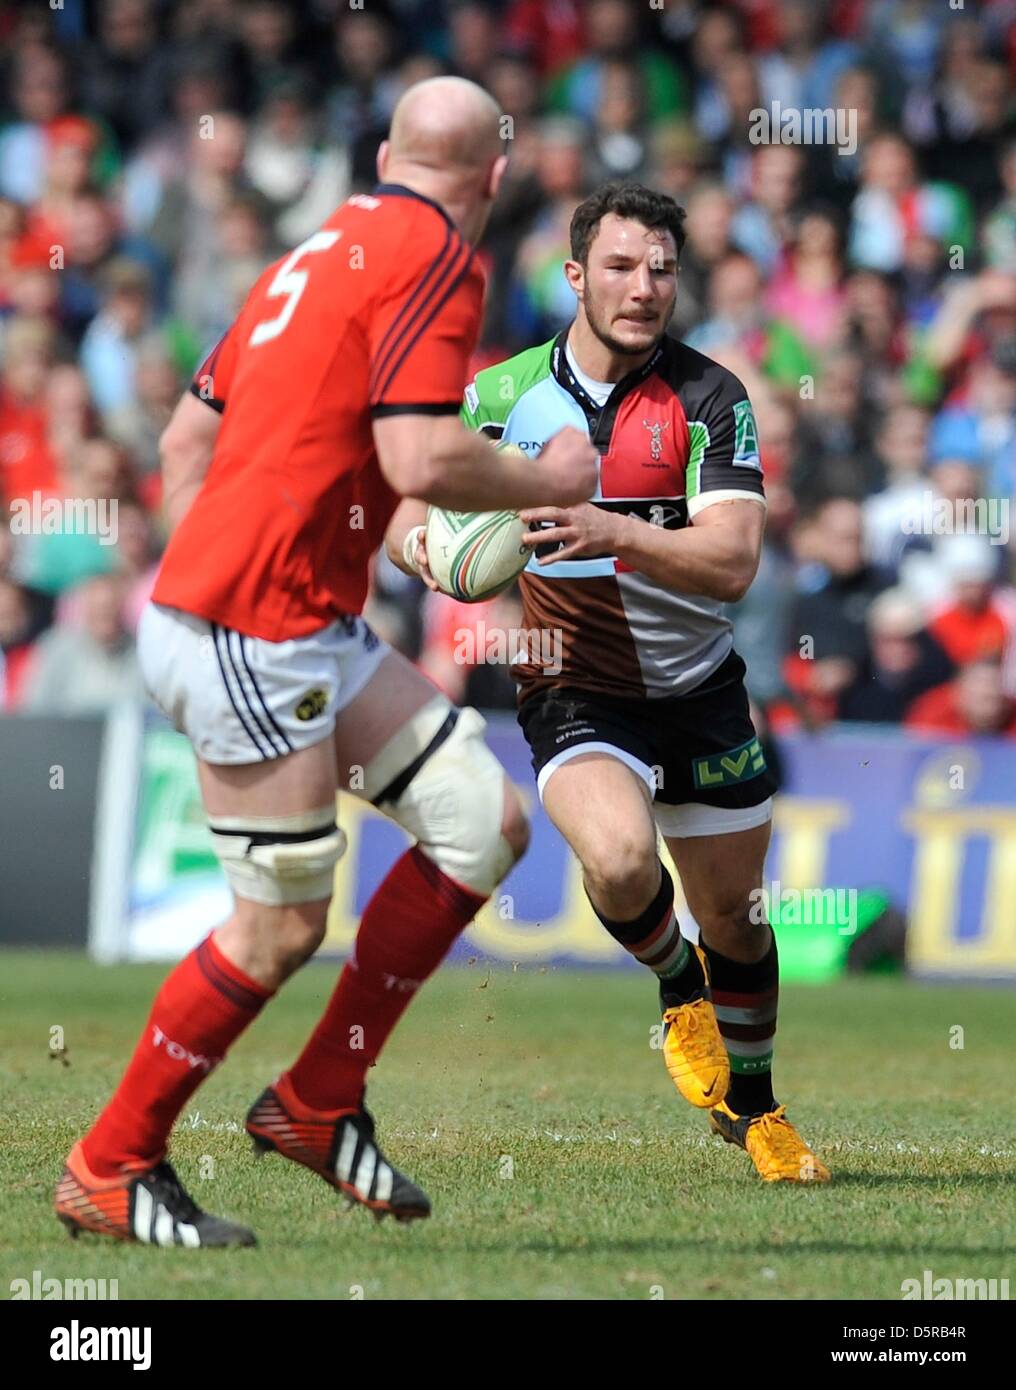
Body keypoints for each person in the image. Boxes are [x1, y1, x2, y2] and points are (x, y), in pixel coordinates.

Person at [54, 76, 598, 1249]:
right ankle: (109, 1164)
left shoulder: (311, 253)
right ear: (492, 176)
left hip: (278, 614)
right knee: (276, 930)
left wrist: (258, 550)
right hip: (258, 625)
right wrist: (549, 481)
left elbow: (189, 435)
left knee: (478, 821)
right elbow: (419, 447)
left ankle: (315, 1098)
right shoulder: (441, 258)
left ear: (389, 152)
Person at [388, 182, 829, 1183]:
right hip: (572, 685)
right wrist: (432, 552)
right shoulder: (498, 399)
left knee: (737, 918)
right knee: (624, 862)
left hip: (700, 688)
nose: (644, 288)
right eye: (622, 268)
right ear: (576, 276)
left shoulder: (712, 397)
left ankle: (755, 1107)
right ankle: (677, 988)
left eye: (662, 270)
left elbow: (730, 563)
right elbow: (401, 501)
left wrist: (613, 529)